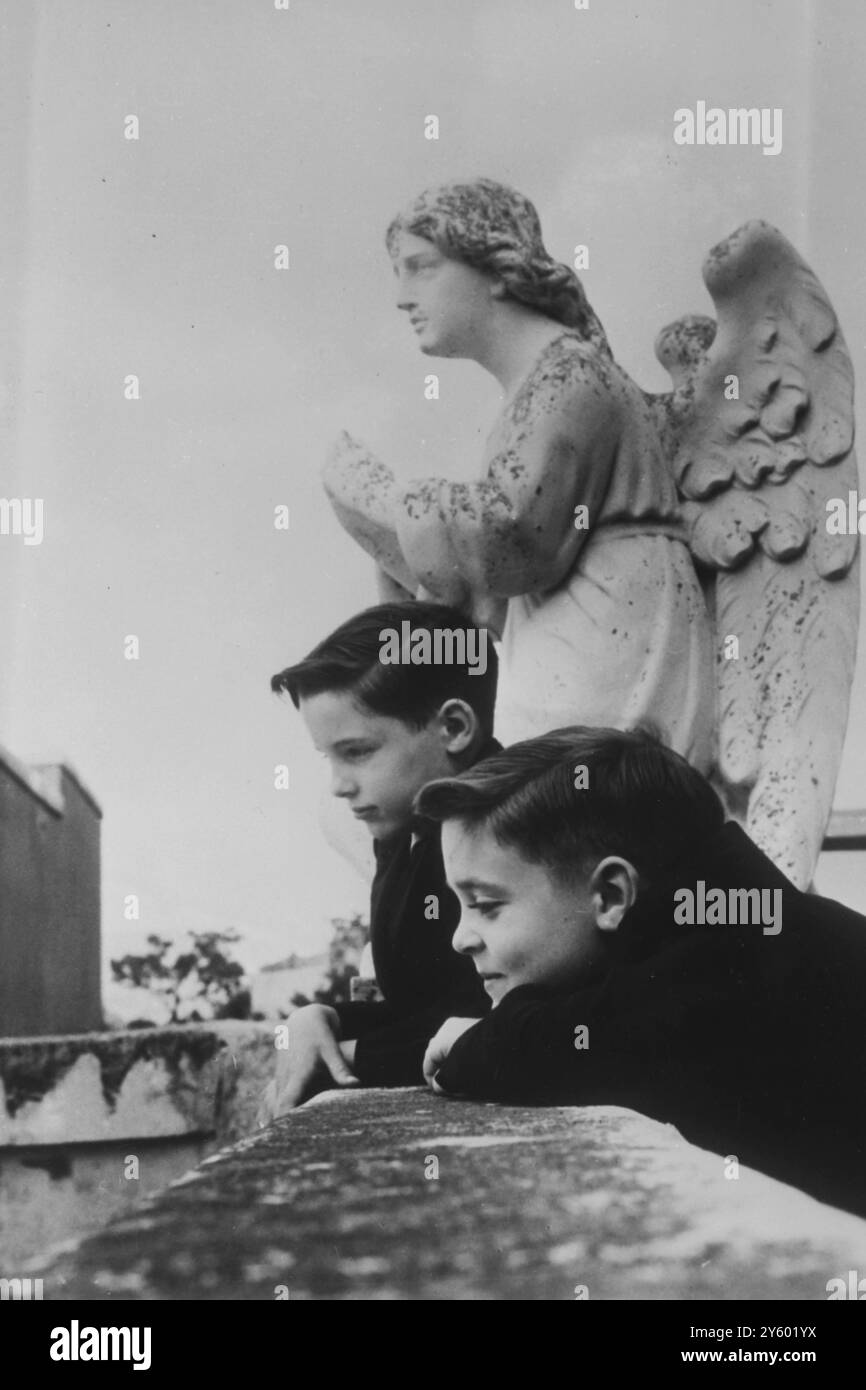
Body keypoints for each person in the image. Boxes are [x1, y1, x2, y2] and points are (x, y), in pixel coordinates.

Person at [322, 178, 713, 767]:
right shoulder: (543, 383)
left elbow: (513, 542)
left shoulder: (569, 377)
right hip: (582, 629)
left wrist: (382, 499)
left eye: (420, 267)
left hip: (605, 641)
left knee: (553, 821)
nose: (402, 296)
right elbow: (491, 582)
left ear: (498, 269)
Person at [415, 726, 866, 1218]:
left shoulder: (735, 952)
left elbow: (598, 1040)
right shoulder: (731, 918)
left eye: (485, 904)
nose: (461, 938)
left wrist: (474, 1046)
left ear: (610, 894)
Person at [257, 600, 497, 1120]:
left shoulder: (508, 834)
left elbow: (495, 1015)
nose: (339, 786)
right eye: (329, 757)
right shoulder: (404, 835)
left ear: (454, 728)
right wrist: (323, 1019)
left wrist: (352, 1057)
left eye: (358, 751)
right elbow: (420, 1009)